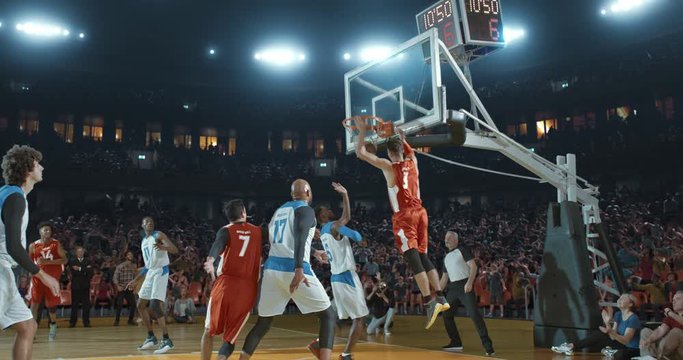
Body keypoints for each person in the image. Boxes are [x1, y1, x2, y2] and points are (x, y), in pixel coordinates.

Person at [355, 122, 448, 329]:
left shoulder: (388, 167)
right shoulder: (413, 161)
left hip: (404, 216)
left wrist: (362, 131)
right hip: (421, 214)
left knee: (414, 260)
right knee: (424, 257)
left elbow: (360, 153)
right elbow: (410, 150)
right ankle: (441, 297)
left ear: (389, 152)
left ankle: (429, 303)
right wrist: (401, 136)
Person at [239, 179, 336, 360]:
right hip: (294, 270)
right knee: (329, 315)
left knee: (263, 323)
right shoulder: (305, 210)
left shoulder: (279, 212)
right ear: (307, 192)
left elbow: (280, 239)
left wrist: (314, 252)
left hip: (271, 271)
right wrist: (299, 269)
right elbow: (299, 238)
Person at [0, 145, 60, 360]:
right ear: (27, 169)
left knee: (27, 326)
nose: (42, 167)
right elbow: (13, 246)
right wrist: (42, 275)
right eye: (37, 163)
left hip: (5, 270)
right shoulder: (15, 198)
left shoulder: (7, 193)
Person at [200, 199, 262, 360]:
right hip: (247, 289)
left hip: (225, 285)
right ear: (243, 213)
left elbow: (217, 246)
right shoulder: (259, 231)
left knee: (209, 331)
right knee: (230, 338)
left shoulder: (225, 230)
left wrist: (211, 260)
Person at [312, 182, 367, 360]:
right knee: (359, 319)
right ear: (322, 215)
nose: (330, 210)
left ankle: (320, 343)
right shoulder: (333, 225)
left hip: (336, 278)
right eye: (326, 209)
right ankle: (346, 354)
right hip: (346, 276)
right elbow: (349, 222)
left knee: (338, 317)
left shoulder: (324, 231)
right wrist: (345, 194)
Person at [126, 216, 178, 354]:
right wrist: (136, 280)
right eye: (147, 222)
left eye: (151, 222)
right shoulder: (144, 242)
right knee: (140, 305)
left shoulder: (158, 235)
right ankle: (151, 337)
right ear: (142, 225)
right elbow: (147, 266)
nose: (150, 223)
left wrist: (163, 246)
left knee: (154, 305)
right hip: (151, 272)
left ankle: (167, 340)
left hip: (161, 271)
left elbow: (174, 249)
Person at [439, 231, 495, 355]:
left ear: (455, 239)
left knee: (474, 314)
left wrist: (470, 282)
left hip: (464, 284)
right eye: (445, 238)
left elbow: (473, 266)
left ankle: (488, 346)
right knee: (446, 315)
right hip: (453, 288)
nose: (446, 240)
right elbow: (444, 278)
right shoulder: (446, 257)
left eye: (448, 238)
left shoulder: (462, 250)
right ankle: (456, 342)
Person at [551, 293, 641, 359]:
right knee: (599, 334)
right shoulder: (618, 314)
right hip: (620, 343)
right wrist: (607, 324)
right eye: (619, 298)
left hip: (631, 347)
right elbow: (613, 336)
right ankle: (571, 346)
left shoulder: (633, 318)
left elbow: (625, 341)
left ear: (630, 304)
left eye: (623, 298)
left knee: (619, 355)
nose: (619, 300)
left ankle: (611, 351)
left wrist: (608, 329)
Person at [27, 221, 66, 341]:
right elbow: (28, 262)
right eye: (45, 230)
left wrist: (47, 262)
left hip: (52, 280)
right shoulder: (33, 246)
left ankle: (53, 324)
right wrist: (30, 274)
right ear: (40, 232)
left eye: (49, 230)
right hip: (38, 279)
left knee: (51, 307)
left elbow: (64, 260)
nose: (47, 231)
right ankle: (31, 332)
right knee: (34, 305)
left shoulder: (56, 244)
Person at [636, 290, 683, 359]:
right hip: (668, 349)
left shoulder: (671, 314)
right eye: (673, 300)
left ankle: (659, 356)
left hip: (679, 351)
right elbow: (661, 330)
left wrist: (670, 313)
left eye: (678, 299)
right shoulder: (670, 317)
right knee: (646, 331)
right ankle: (649, 357)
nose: (674, 301)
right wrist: (649, 340)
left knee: (676, 331)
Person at [69, 246, 93, 328]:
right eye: (78, 252)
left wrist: (79, 268)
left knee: (86, 305)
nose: (80, 253)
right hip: (75, 286)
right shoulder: (72, 261)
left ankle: (86, 322)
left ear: (84, 253)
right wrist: (84, 270)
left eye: (81, 252)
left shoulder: (88, 261)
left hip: (85, 286)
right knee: (74, 305)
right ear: (76, 253)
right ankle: (72, 322)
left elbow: (90, 272)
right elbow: (74, 273)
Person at [112, 250, 137, 326]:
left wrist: (134, 284)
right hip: (122, 287)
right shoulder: (120, 266)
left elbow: (135, 277)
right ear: (126, 256)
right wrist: (118, 286)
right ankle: (117, 320)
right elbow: (115, 277)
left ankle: (130, 320)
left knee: (133, 304)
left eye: (131, 254)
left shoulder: (134, 266)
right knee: (119, 304)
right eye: (129, 254)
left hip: (129, 287)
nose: (130, 256)